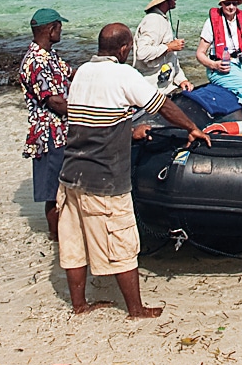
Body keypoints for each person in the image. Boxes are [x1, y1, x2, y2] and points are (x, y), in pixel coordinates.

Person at [57, 22, 210, 316]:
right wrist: (192, 127)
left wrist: (129, 130)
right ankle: (136, 309)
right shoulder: (123, 73)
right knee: (123, 242)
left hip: (70, 173)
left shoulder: (81, 73)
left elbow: (94, 122)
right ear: (125, 48)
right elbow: (162, 106)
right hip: (104, 178)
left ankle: (79, 305)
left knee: (73, 243)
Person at [19, 8, 72, 240]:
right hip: (49, 134)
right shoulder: (36, 62)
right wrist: (90, 112)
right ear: (51, 29)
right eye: (60, 27)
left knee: (64, 185)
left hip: (62, 130)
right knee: (53, 190)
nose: (62, 31)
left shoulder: (50, 55)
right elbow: (55, 103)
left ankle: (65, 234)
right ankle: (56, 238)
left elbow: (72, 73)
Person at [132, 0, 192, 94]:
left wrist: (181, 80)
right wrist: (169, 47)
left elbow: (170, 58)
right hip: (151, 90)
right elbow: (142, 53)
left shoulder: (162, 19)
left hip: (165, 88)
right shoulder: (153, 20)